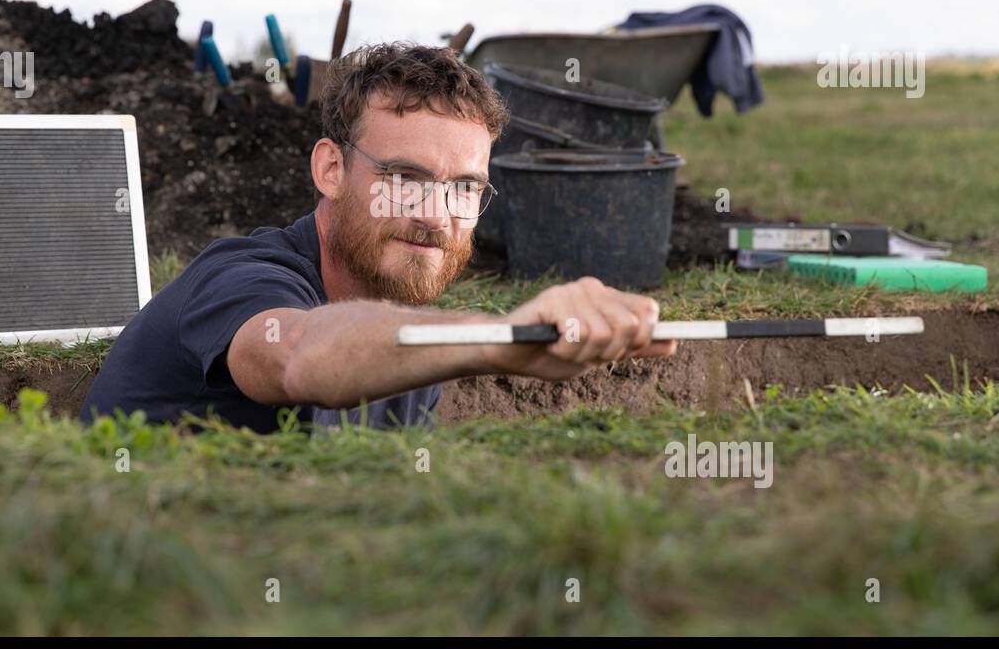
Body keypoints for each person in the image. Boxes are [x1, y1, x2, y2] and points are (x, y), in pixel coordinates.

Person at [80, 42, 677, 433]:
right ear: (330, 169)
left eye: (465, 189)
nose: (436, 218)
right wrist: (498, 338)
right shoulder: (243, 278)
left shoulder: (400, 341)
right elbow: (299, 356)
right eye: (403, 179)